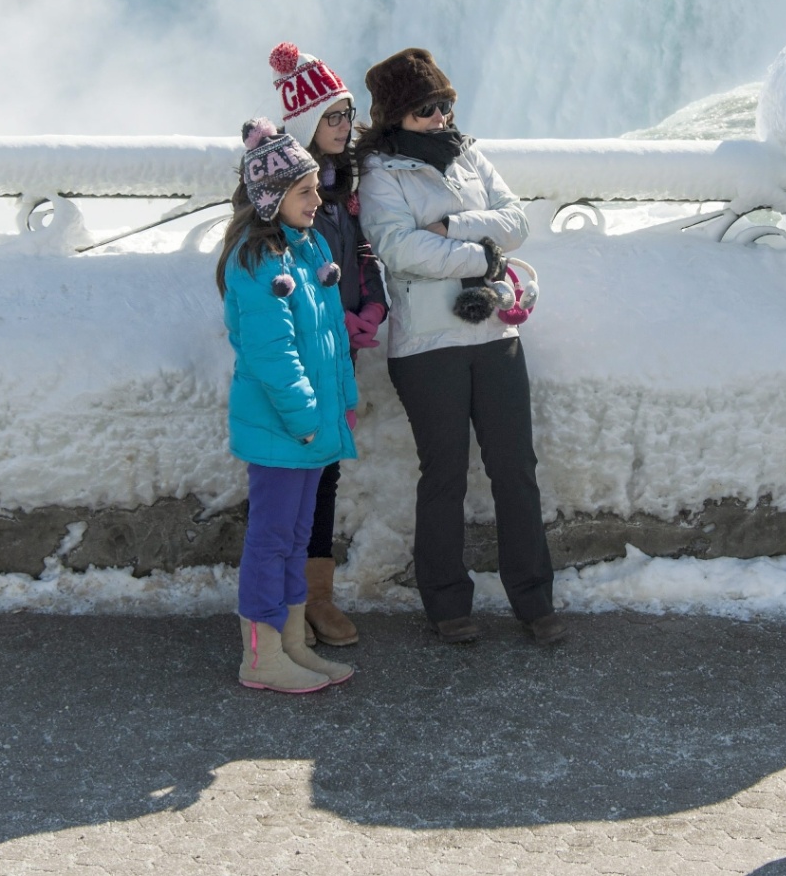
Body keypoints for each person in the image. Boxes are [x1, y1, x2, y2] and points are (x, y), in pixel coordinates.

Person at [356, 47, 564, 647]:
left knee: (515, 470)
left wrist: (451, 230)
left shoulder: (469, 152)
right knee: (444, 475)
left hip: (496, 333)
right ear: (397, 115)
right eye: (427, 108)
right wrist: (482, 254)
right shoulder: (381, 174)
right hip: (426, 347)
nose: (442, 116)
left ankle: (534, 599)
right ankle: (446, 602)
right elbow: (400, 250)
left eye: (446, 103)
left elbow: (516, 220)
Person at [216, 117, 361, 693]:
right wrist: (307, 420)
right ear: (273, 200)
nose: (317, 198)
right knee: (271, 541)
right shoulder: (258, 262)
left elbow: (330, 341)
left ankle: (293, 642)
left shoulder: (309, 246)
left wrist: (342, 403)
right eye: (304, 191)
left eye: (315, 187)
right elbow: (275, 356)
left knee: (297, 541)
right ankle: (261, 656)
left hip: (311, 427)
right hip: (284, 429)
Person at [268, 42, 387, 647]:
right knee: (294, 471)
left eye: (348, 115)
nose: (346, 127)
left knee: (327, 471)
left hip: (341, 350)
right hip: (302, 348)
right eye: (333, 118)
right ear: (305, 126)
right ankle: (287, 602)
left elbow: (359, 251)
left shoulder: (344, 183)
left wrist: (372, 305)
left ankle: (317, 597)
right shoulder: (284, 192)